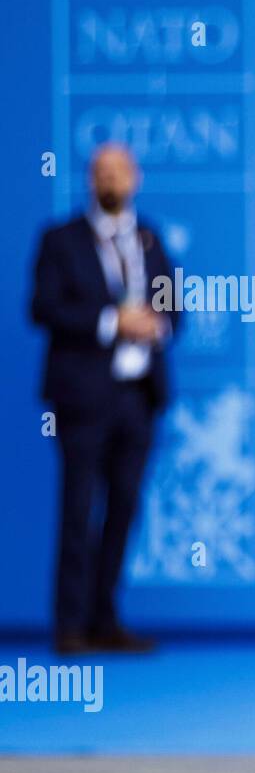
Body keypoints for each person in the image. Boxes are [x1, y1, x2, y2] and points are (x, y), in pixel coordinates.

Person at [30, 142, 179, 655]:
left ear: (134, 178)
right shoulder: (60, 240)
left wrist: (154, 325)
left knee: (123, 509)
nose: (111, 180)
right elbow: (42, 307)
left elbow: (172, 309)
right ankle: (69, 627)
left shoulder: (150, 238)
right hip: (81, 400)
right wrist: (114, 321)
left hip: (138, 398)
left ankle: (104, 618)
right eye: (101, 172)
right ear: (91, 180)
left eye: (119, 171)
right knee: (77, 510)